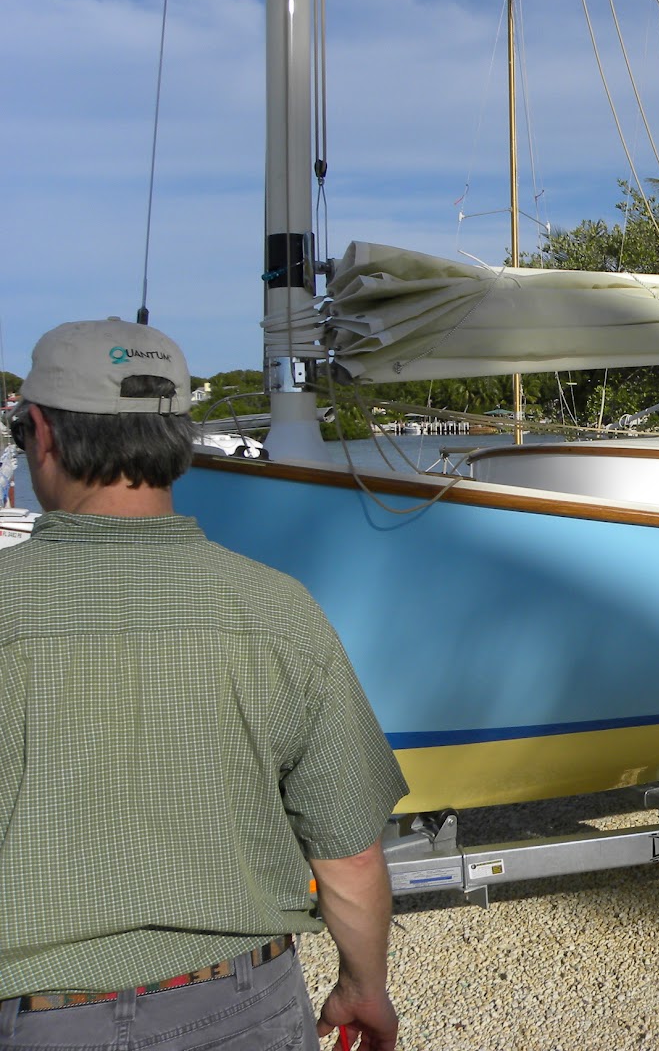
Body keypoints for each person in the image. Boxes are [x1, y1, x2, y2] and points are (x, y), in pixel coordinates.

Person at [0, 319, 408, 1047]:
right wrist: (363, 988)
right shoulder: (278, 609)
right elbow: (347, 853)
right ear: (178, 440)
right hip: (243, 1002)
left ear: (42, 432)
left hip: (36, 1015)